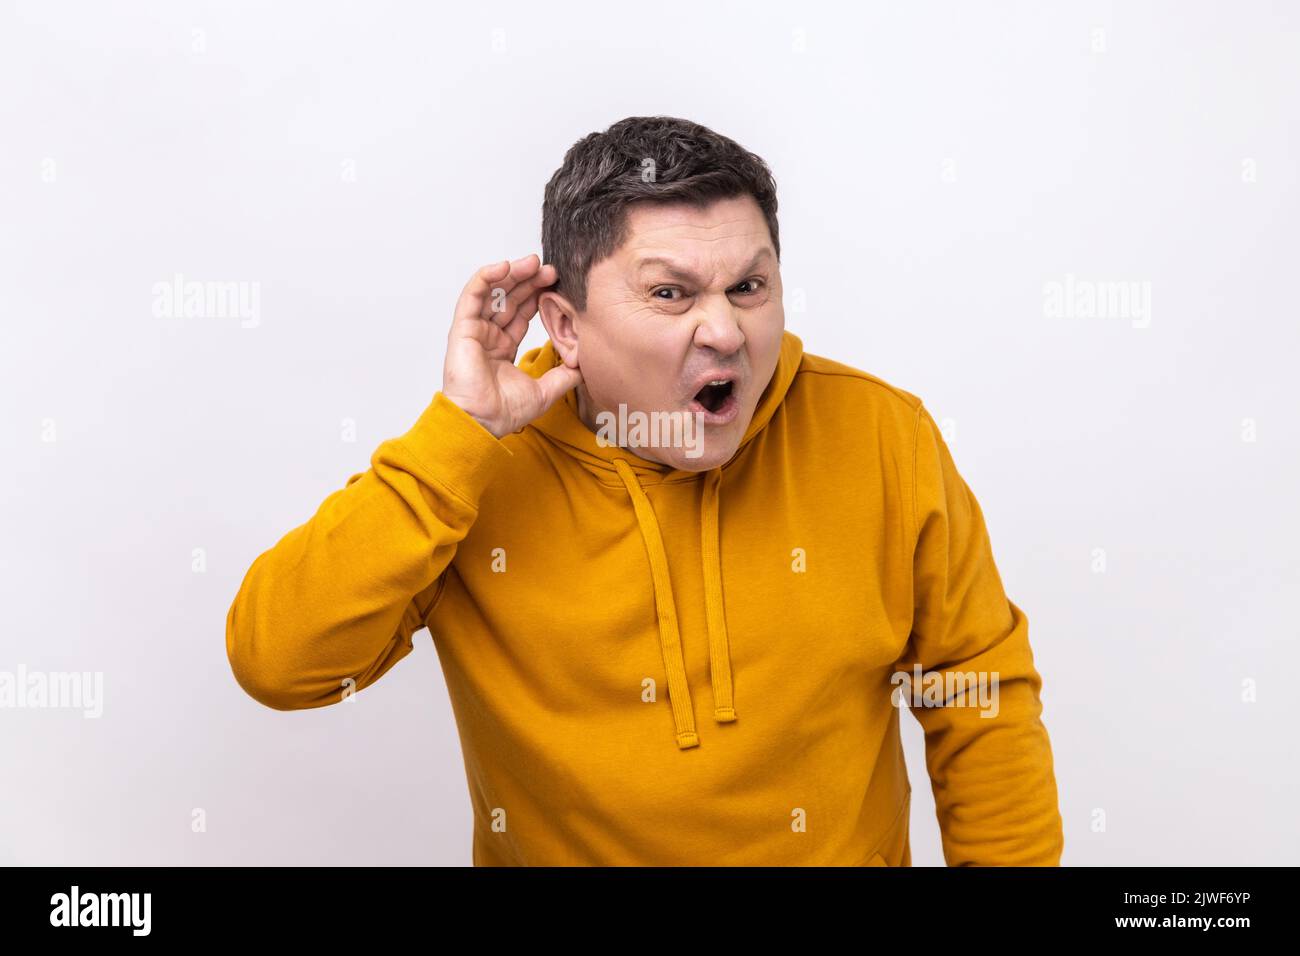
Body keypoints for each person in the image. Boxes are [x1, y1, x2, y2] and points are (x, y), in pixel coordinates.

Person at [225, 115, 1064, 866]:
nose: (725, 330)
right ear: (564, 326)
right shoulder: (476, 469)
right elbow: (280, 666)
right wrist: (458, 437)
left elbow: (975, 688)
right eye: (671, 293)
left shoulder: (883, 435)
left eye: (749, 287)